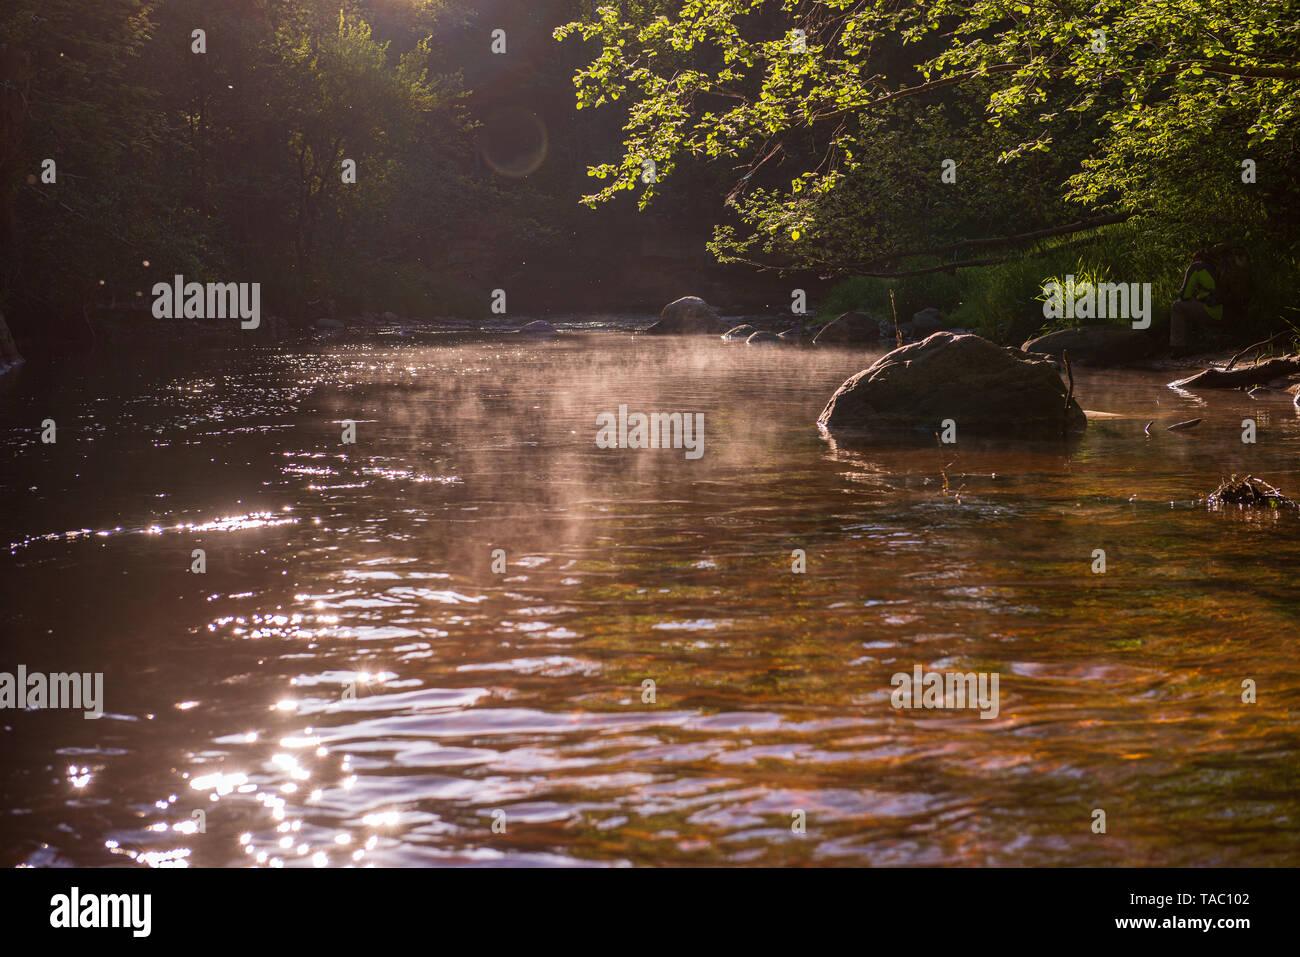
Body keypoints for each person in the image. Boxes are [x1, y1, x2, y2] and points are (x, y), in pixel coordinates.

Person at [1169, 248, 1224, 351]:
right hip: (1234, 310)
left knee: (1177, 306)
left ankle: (1178, 347)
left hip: (1215, 313)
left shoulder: (1197, 267)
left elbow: (1184, 296)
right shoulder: (1220, 268)